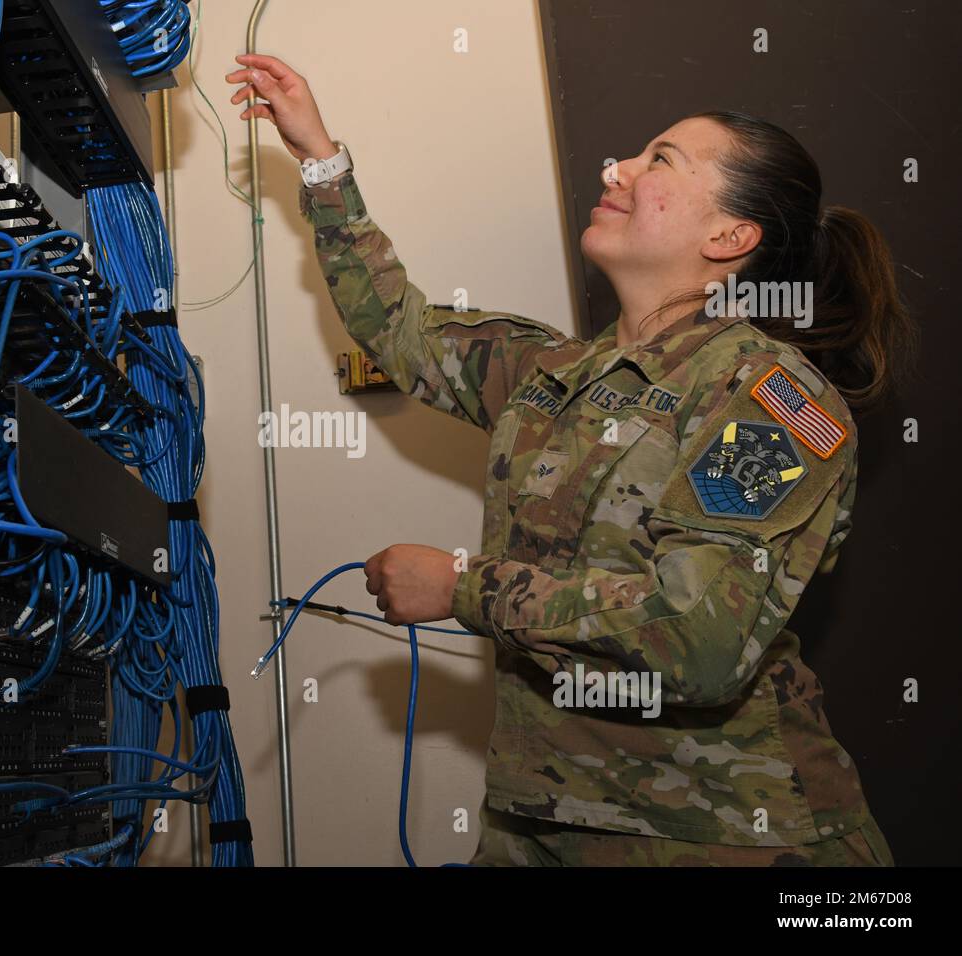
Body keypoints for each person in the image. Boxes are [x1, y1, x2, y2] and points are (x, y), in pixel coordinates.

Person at [226, 53, 914, 866]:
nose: (618, 168)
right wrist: (319, 157)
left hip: (720, 833)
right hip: (538, 817)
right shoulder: (552, 375)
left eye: (660, 161)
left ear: (731, 236)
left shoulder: (768, 400)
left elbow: (699, 637)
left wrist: (461, 586)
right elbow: (401, 330)